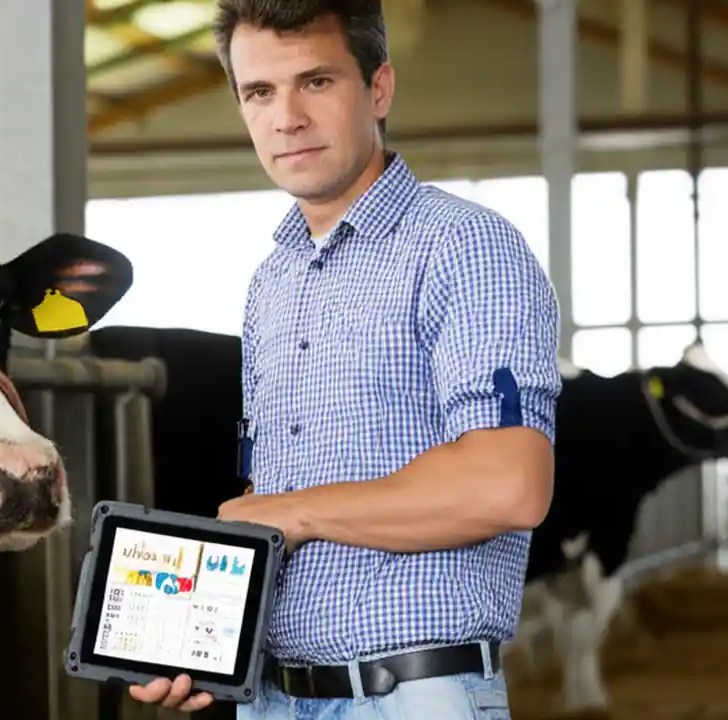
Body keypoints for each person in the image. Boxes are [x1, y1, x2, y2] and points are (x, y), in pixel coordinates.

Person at [128, 1, 561, 717]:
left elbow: (507, 485)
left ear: (379, 89)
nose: (286, 116)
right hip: (273, 696)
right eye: (259, 92)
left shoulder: (464, 247)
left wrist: (290, 513)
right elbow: (280, 526)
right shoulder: (272, 282)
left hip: (412, 696)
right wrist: (210, 650)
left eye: (317, 82)